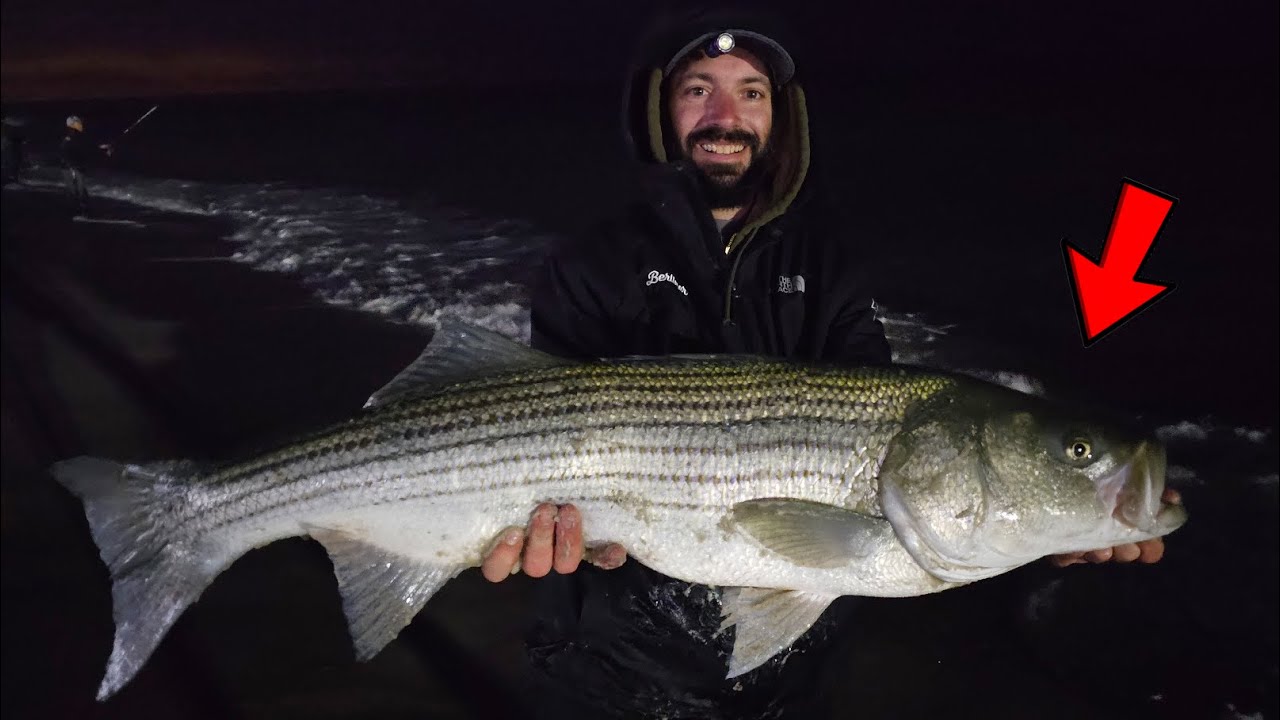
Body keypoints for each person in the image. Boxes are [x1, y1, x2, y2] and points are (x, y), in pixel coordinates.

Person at [483, 11, 1177, 718]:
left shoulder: (828, 263)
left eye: (752, 93)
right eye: (699, 90)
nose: (726, 116)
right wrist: (535, 534)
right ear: (661, 109)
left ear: (782, 118)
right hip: (605, 667)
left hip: (791, 681)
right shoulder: (590, 262)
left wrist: (1061, 528)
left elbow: (912, 474)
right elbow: (530, 420)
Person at [60, 115, 112, 216]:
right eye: (77, 124)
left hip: (77, 166)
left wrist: (103, 149)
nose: (80, 125)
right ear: (71, 127)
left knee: (81, 189)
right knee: (74, 190)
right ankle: (76, 211)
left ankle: (83, 210)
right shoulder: (67, 140)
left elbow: (88, 147)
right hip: (69, 167)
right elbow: (75, 150)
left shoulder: (78, 137)